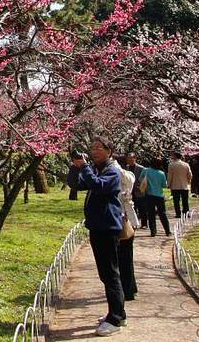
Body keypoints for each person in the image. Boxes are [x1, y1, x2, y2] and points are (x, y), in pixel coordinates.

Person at [67, 137, 126, 336]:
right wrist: (75, 167)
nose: (95, 151)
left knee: (110, 273)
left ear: (110, 151)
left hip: (108, 227)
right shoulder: (96, 168)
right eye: (92, 148)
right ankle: (117, 313)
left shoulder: (112, 171)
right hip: (98, 227)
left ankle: (115, 319)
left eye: (99, 148)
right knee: (105, 273)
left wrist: (84, 167)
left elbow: (98, 186)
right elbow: (77, 185)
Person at [114, 160, 138, 301]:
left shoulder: (122, 177)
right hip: (128, 220)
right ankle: (130, 288)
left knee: (121, 258)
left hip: (122, 221)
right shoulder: (128, 177)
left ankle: (126, 290)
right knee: (127, 258)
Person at [138, 160, 171, 237]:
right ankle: (167, 230)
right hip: (159, 195)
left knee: (151, 214)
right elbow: (164, 185)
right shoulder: (161, 173)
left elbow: (140, 180)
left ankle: (153, 231)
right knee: (162, 213)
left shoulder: (146, 170)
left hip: (149, 195)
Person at [123, 152, 147, 229]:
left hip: (139, 191)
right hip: (129, 192)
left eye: (131, 158)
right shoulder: (126, 168)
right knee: (132, 208)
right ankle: (133, 224)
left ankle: (144, 224)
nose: (129, 160)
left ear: (134, 158)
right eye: (128, 158)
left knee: (142, 208)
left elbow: (144, 180)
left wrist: (139, 186)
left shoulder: (141, 168)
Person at [167, 151, 192, 218]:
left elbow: (170, 176)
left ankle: (178, 213)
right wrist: (188, 182)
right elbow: (190, 175)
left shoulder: (171, 165)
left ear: (175, 156)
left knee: (176, 201)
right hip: (184, 185)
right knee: (185, 200)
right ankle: (186, 212)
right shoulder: (186, 164)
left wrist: (168, 184)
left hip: (175, 185)